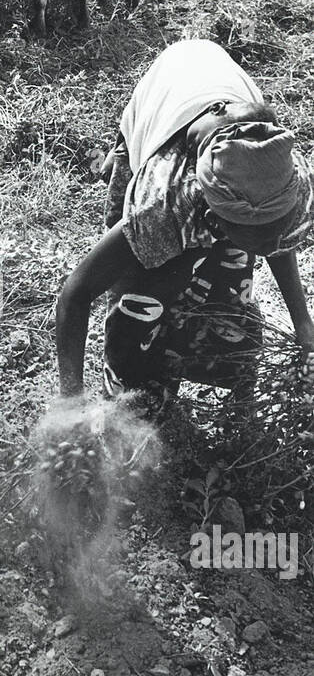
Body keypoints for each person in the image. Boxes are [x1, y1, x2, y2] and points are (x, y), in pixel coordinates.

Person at [56, 40, 314, 415]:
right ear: (214, 215)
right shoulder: (162, 206)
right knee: (144, 295)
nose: (264, 247)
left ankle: (224, 378)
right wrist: (69, 401)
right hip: (168, 91)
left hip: (208, 74)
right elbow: (76, 294)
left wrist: (303, 324)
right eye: (250, 234)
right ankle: (138, 389)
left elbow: (273, 239)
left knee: (228, 285)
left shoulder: (283, 178)